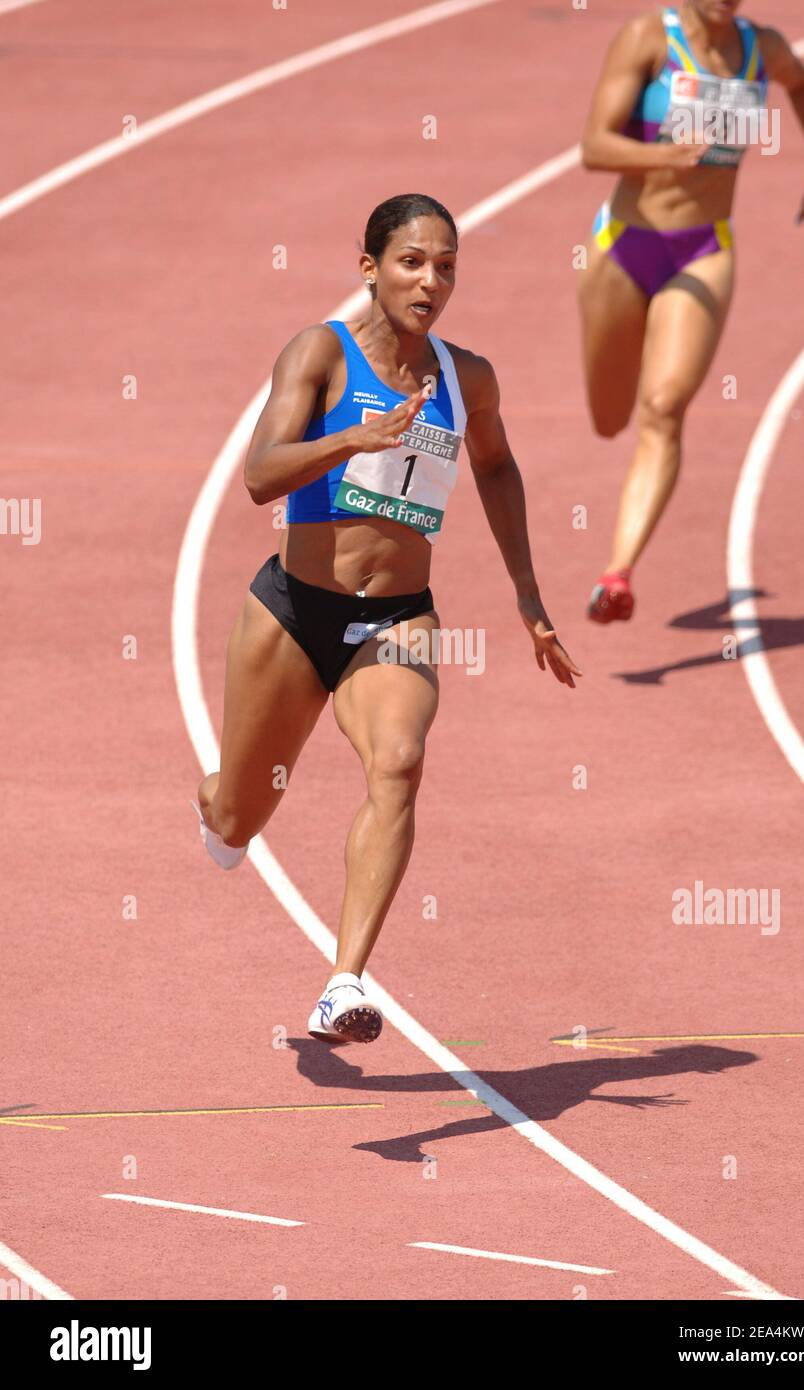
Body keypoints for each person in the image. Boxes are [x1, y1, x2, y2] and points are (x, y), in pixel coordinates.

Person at [192, 193, 581, 1044]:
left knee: (399, 763)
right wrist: (351, 442)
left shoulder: (464, 377)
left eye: (445, 265)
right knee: (237, 819)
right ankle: (219, 800)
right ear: (368, 268)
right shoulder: (319, 354)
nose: (430, 280)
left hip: (397, 617)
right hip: (294, 613)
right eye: (411, 262)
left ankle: (343, 981)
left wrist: (526, 593)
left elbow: (498, 465)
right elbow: (261, 474)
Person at [577, 0, 804, 623]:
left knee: (664, 409)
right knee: (609, 418)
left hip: (703, 249)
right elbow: (594, 146)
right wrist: (667, 154)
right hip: (624, 244)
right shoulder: (647, 39)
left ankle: (617, 574)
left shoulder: (761, 48)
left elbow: (802, 84)